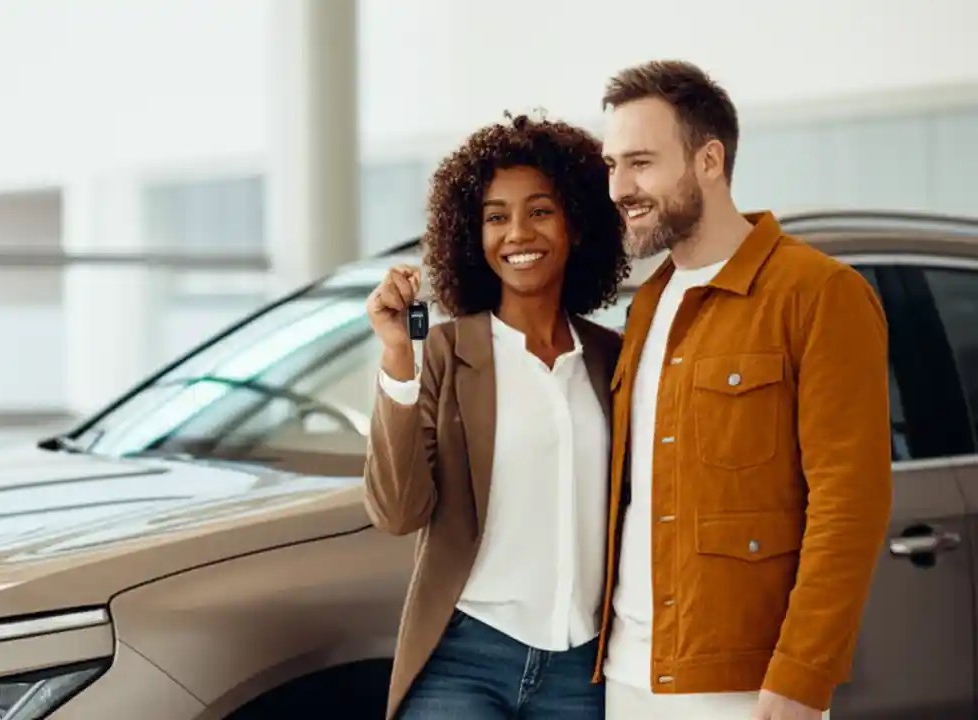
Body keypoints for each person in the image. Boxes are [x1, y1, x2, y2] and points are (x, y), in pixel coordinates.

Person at [596, 60, 893, 720]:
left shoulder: (818, 294)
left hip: (746, 688)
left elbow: (851, 505)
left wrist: (799, 681)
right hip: (629, 675)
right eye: (612, 164)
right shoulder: (647, 305)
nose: (619, 187)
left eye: (640, 162)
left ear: (709, 159)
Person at [363, 113, 630, 720]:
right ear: (472, 236)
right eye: (495, 216)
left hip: (583, 671)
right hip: (465, 659)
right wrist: (397, 353)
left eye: (540, 210)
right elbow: (398, 510)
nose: (517, 232)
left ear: (578, 225)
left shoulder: (613, 359)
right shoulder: (444, 351)